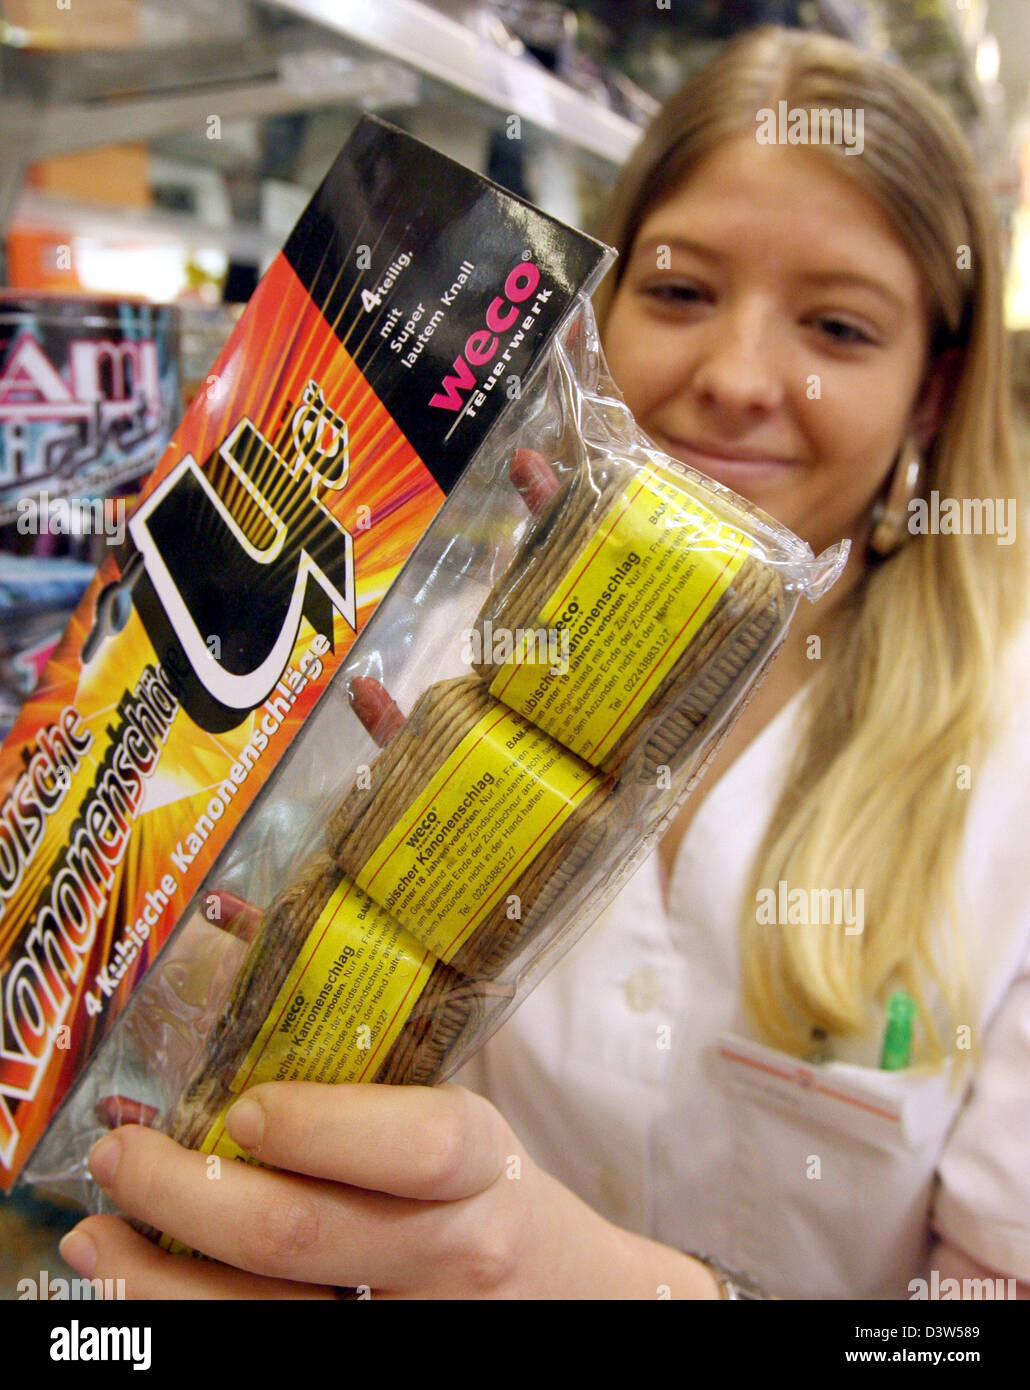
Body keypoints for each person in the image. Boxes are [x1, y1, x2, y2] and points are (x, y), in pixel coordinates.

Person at [57, 24, 1029, 1299]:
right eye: (679, 292)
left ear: (929, 390)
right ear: (599, 312)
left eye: (837, 327)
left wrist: (611, 1285)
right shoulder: (444, 657)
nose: (736, 377)